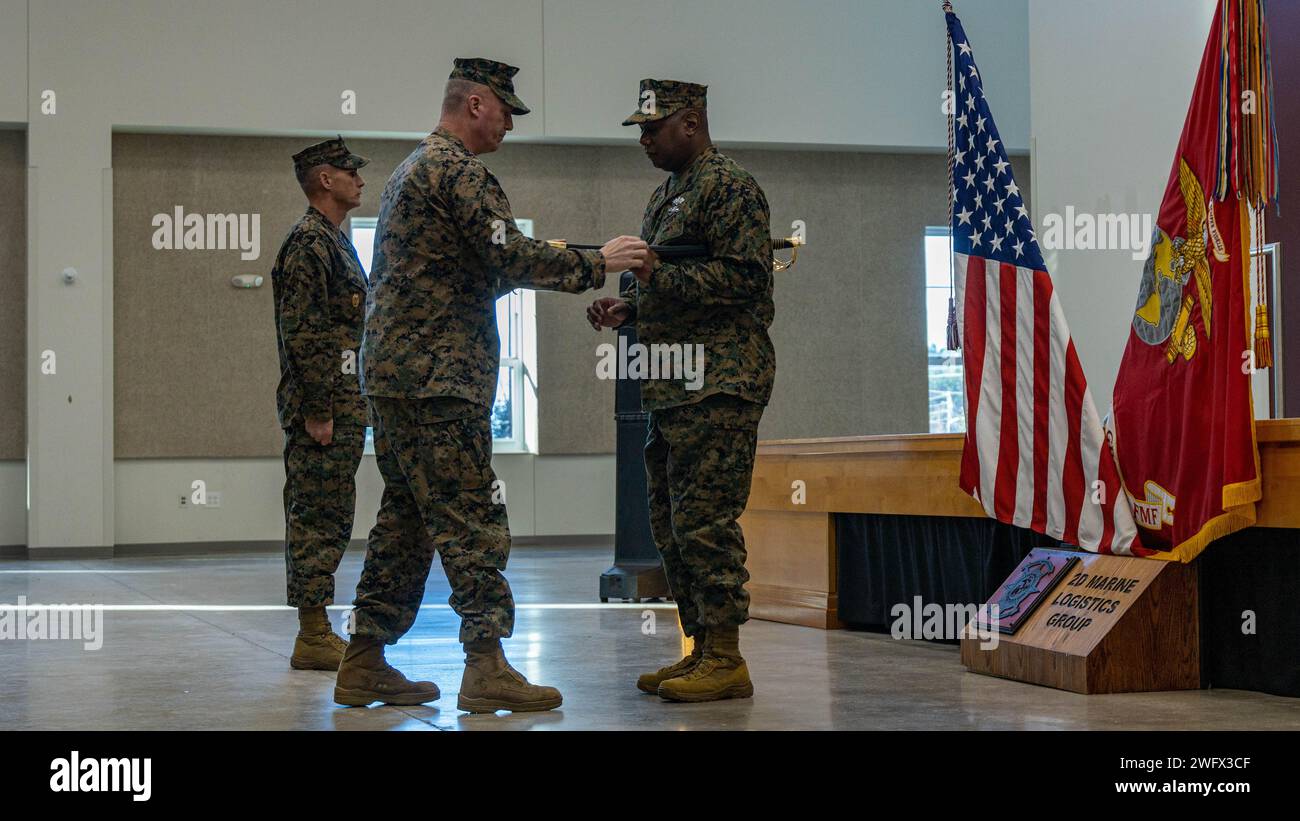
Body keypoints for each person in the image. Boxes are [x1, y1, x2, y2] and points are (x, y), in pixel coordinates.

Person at [334, 57, 648, 711]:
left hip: (398, 377)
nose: (509, 122)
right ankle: (487, 664)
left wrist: (570, 261)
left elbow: (479, 271)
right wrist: (598, 262)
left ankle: (364, 658)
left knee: (408, 520)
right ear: (475, 103)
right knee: (472, 516)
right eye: (504, 109)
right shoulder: (456, 170)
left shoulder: (409, 171)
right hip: (436, 379)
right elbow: (509, 254)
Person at [587, 79, 775, 702]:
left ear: (691, 122)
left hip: (719, 383)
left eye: (653, 128)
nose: (643, 140)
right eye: (639, 129)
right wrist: (627, 309)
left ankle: (726, 655)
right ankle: (699, 649)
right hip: (670, 385)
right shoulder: (666, 196)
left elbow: (746, 281)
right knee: (670, 522)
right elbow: (668, 284)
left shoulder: (730, 187)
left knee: (706, 522)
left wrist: (657, 270)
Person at [270, 136, 370, 671]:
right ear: (325, 179)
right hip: (324, 408)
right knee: (316, 516)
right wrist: (318, 410)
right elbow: (303, 334)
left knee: (333, 515)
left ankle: (317, 628)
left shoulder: (334, 241)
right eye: (350, 171)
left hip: (344, 403)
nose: (360, 179)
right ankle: (312, 633)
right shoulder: (309, 243)